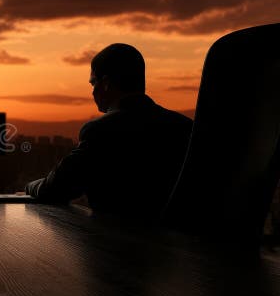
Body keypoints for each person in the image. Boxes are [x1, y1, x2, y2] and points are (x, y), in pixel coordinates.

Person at [25, 43, 192, 221]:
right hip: (178, 244)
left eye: (93, 83)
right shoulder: (185, 126)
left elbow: (57, 188)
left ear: (105, 83)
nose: (92, 92)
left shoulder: (100, 130)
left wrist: (30, 187)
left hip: (118, 242)